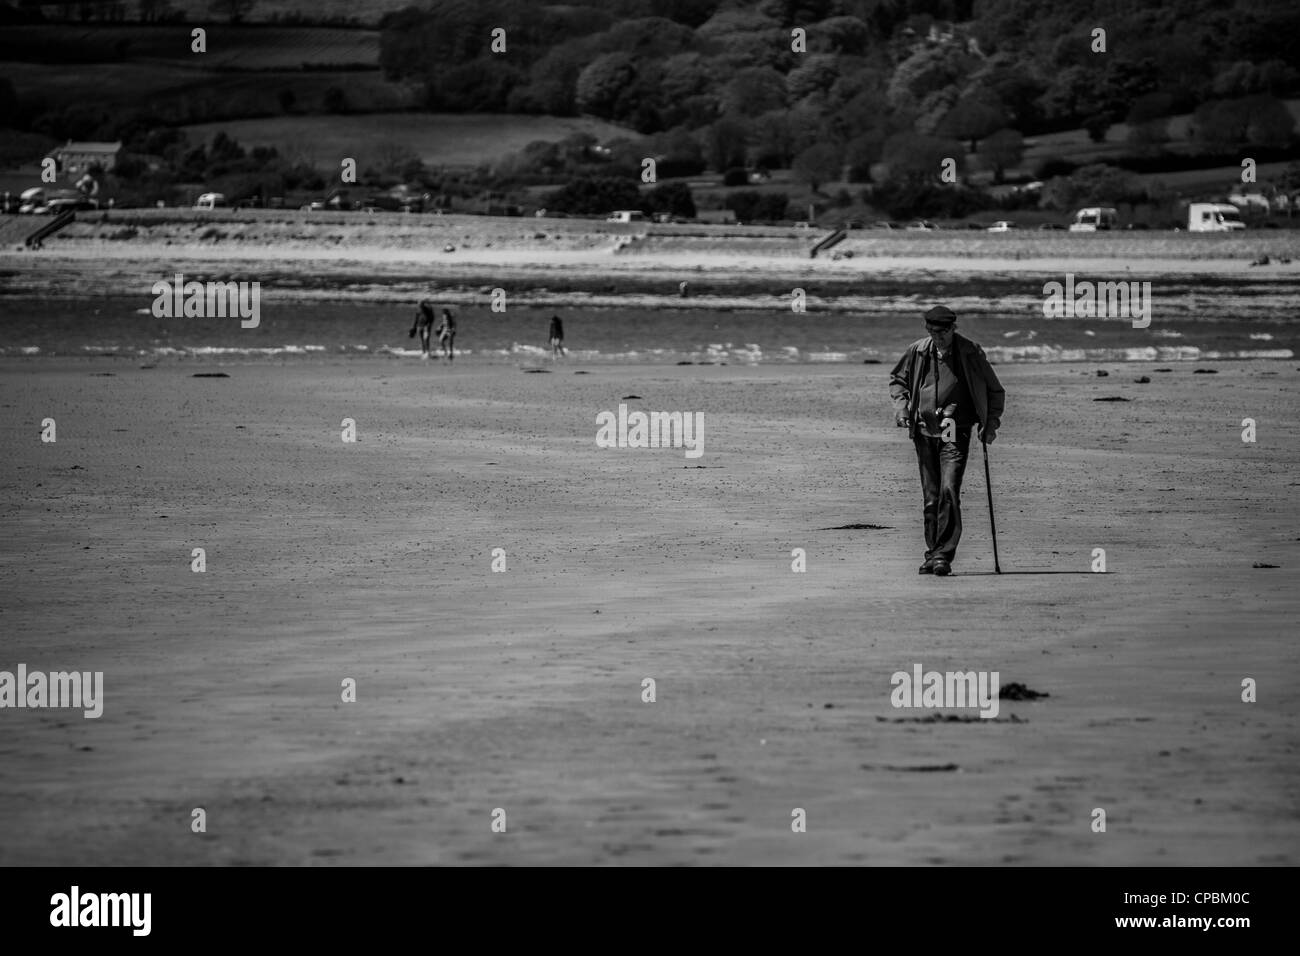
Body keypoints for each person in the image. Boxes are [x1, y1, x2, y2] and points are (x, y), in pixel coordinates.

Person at [889, 305, 1005, 577]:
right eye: (931, 331)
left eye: (941, 332)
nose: (936, 337)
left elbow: (995, 391)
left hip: (956, 429)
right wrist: (902, 408)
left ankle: (943, 555)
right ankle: (933, 553)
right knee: (931, 498)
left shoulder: (970, 352)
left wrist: (990, 425)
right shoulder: (918, 350)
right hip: (924, 430)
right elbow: (898, 380)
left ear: (953, 329)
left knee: (948, 490)